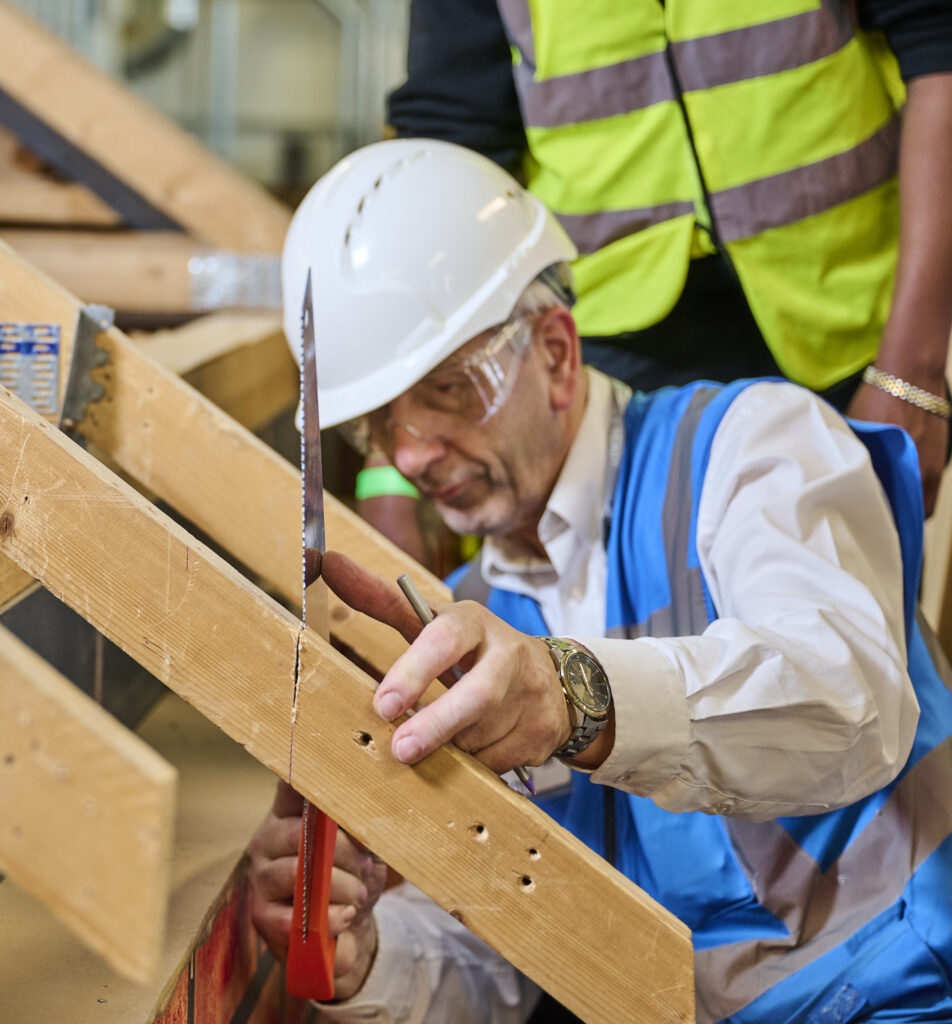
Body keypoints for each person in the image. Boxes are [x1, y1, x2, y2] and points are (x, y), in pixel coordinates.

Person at [249, 139, 952, 1022]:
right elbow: (505, 956)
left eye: (448, 391)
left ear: (555, 351)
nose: (412, 453)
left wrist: (574, 697)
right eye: (378, 426)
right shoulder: (469, 624)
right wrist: (369, 960)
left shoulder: (753, 448)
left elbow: (852, 700)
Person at [367, 0, 952, 515]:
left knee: (845, 625)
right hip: (597, 355)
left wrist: (912, 372)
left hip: (852, 335)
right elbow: (452, 137)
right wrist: (398, 458)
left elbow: (936, 39)